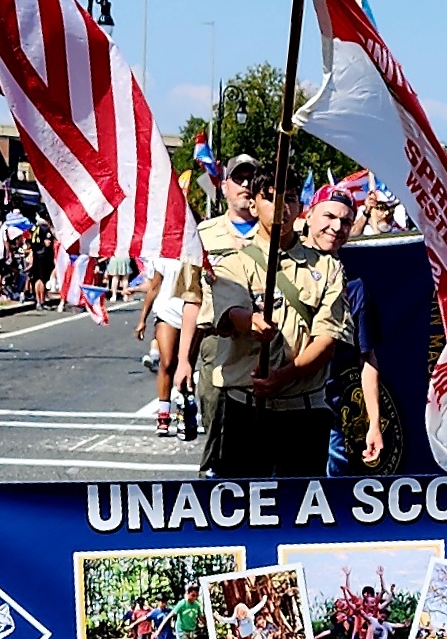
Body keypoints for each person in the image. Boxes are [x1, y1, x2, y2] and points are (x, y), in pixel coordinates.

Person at [209, 165, 350, 478]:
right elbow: (229, 314)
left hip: (304, 411)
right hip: (246, 409)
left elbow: (328, 339)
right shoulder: (235, 261)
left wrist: (284, 376)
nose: (282, 208)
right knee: (242, 509)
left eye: (290, 199)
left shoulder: (327, 268)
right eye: (271, 198)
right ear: (253, 204)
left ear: (300, 206)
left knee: (302, 511)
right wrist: (251, 322)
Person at [192, 154, 263, 474]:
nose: (246, 185)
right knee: (218, 431)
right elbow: (191, 297)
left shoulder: (279, 232)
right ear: (224, 187)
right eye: (239, 178)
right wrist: (181, 362)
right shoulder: (204, 235)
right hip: (216, 343)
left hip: (267, 343)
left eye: (252, 178)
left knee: (262, 435)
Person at [307, 190, 385, 474]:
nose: (336, 227)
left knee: (326, 506)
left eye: (345, 221)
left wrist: (373, 423)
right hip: (276, 409)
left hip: (327, 414)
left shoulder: (354, 286)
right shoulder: (277, 267)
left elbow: (367, 358)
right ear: (309, 215)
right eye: (328, 216)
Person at [134, 257, 200, 436]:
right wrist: (142, 320)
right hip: (167, 311)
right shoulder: (163, 257)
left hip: (193, 311)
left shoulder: (198, 254)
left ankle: (184, 413)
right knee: (168, 361)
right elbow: (154, 287)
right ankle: (163, 414)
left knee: (187, 365)